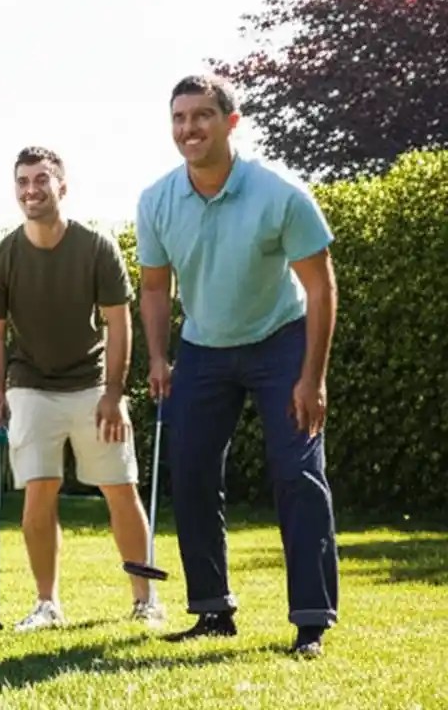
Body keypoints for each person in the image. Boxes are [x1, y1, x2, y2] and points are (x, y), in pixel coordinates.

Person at [136, 74, 339, 657]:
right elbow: (155, 288)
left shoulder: (280, 193)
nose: (188, 128)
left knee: (297, 473)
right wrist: (158, 356)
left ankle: (311, 620)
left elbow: (321, 289)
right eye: (179, 118)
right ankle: (212, 610)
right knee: (192, 473)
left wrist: (312, 377)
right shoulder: (155, 201)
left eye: (202, 115)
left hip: (281, 340)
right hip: (203, 347)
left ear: (230, 122)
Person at [0, 146, 163, 632]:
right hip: (30, 385)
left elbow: (119, 325)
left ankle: (145, 599)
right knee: (39, 489)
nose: (31, 190)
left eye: (41, 179)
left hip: (93, 384)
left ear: (62, 186)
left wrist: (114, 393)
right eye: (23, 182)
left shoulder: (97, 248)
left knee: (120, 489)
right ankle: (47, 604)